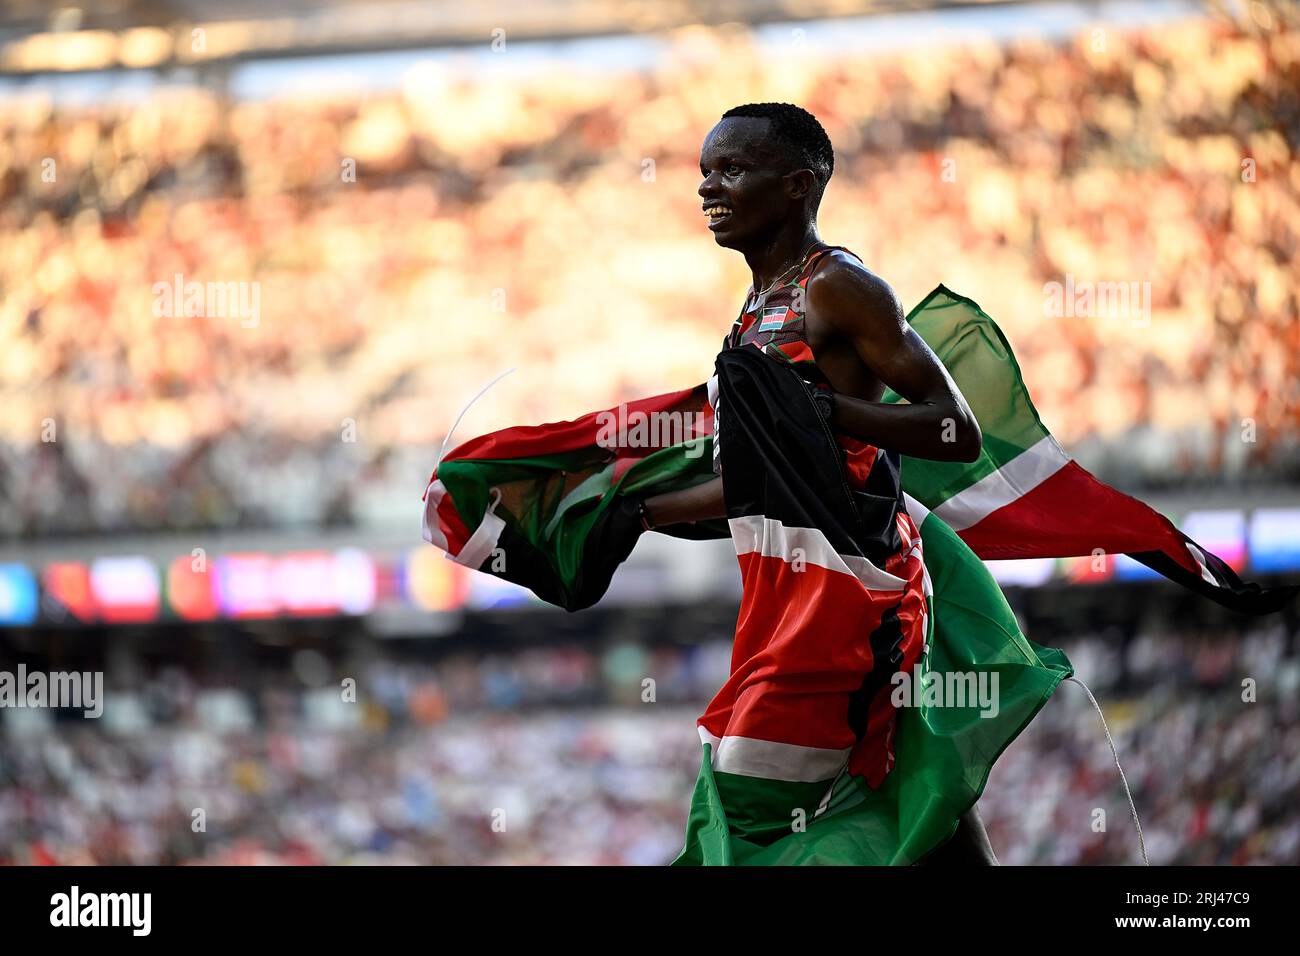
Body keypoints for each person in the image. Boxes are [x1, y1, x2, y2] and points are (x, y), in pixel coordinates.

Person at [638, 102, 994, 864]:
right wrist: (631, 512)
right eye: (704, 172)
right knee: (892, 777)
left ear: (797, 185)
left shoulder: (838, 287)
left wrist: (825, 410)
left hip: (856, 584)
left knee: (754, 784)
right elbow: (756, 488)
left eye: (731, 170)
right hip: (791, 590)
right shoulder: (754, 310)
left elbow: (952, 427)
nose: (708, 189)